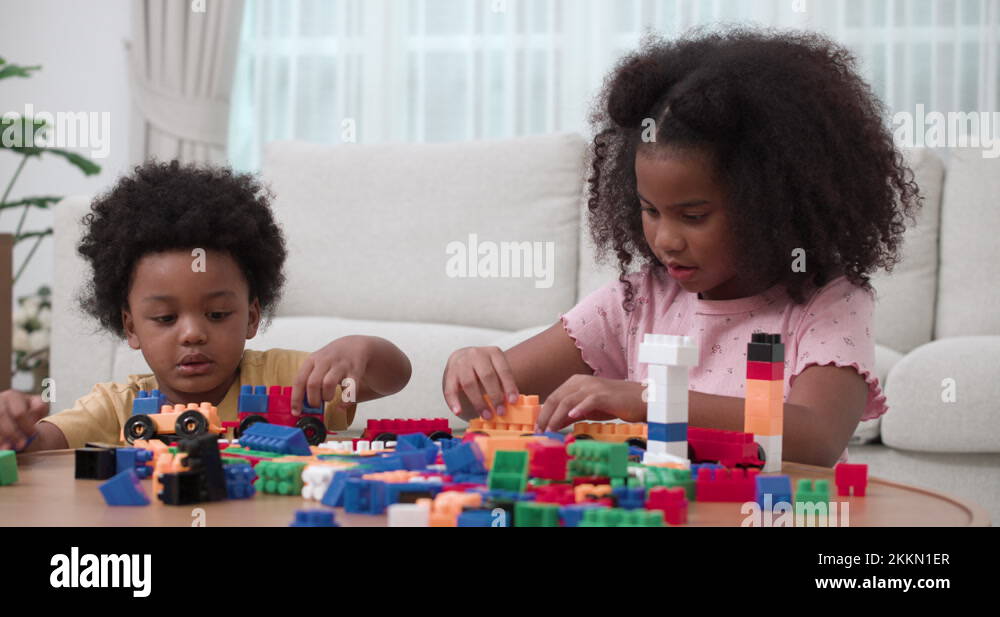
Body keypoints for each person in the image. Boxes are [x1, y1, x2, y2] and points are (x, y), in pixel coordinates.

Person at [442, 28, 920, 467]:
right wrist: (470, 367)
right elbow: (480, 400)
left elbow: (816, 436)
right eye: (650, 210)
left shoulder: (827, 305)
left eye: (693, 216)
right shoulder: (637, 303)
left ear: (774, 207)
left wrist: (646, 398)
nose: (666, 239)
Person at [0, 161, 412, 451]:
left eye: (217, 314)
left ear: (251, 317)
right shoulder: (116, 406)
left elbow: (394, 378)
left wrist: (362, 350)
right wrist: (15, 429)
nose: (193, 333)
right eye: (164, 318)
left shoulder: (289, 379)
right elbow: (43, 446)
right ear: (130, 327)